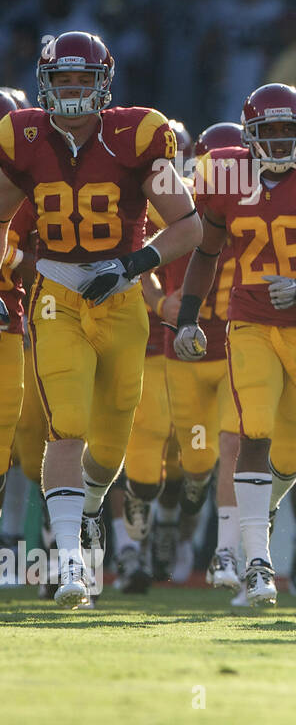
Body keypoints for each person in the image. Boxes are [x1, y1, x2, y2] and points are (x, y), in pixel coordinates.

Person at [0, 32, 201, 608]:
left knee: (110, 444)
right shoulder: (25, 137)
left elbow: (188, 226)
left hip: (123, 295)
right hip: (56, 294)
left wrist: (132, 265)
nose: (71, 91)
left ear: (102, 84)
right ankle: (69, 565)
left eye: (81, 80)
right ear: (46, 85)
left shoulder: (136, 135)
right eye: (61, 81)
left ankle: (86, 515)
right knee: (68, 424)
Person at [174, 83, 296, 608]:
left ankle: (254, 527)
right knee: (253, 433)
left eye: (290, 132)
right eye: (270, 132)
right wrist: (188, 320)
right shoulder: (225, 177)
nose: (281, 142)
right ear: (250, 137)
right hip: (249, 324)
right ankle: (258, 563)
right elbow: (205, 254)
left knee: (291, 447)